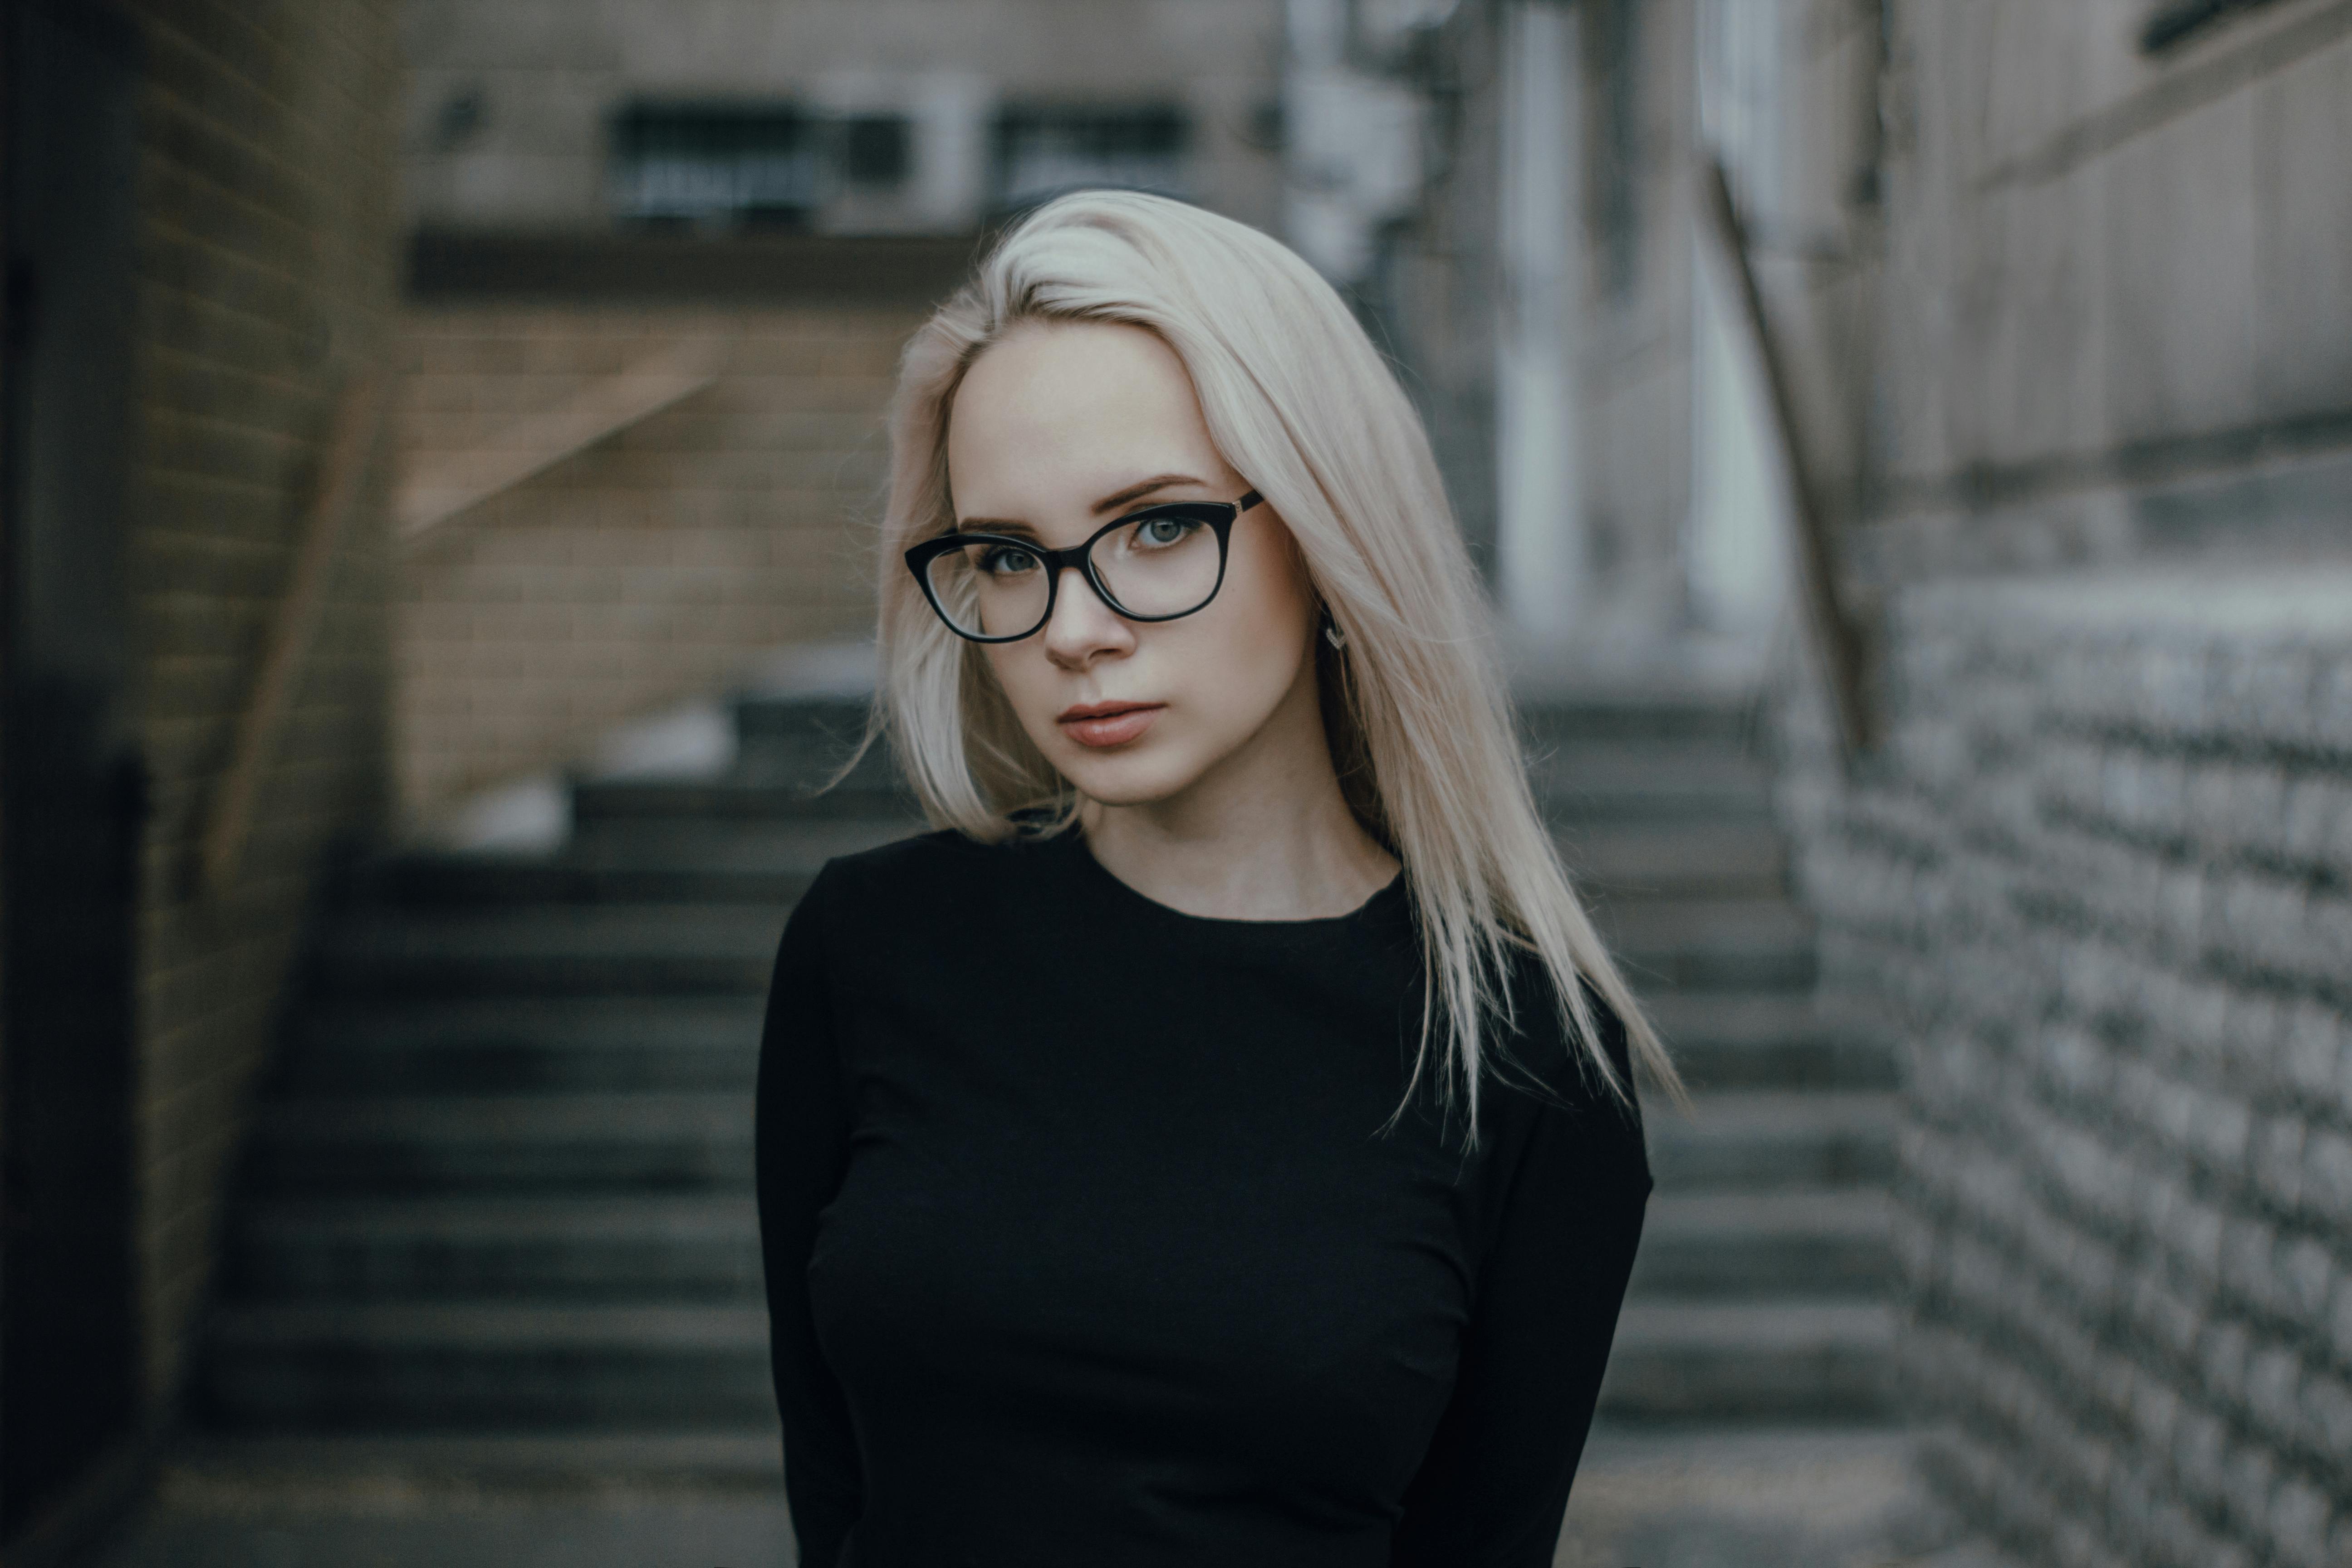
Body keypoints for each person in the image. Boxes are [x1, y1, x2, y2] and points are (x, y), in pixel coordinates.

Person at [755, 189, 1680, 1568]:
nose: (1072, 629)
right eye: (1006, 557)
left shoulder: (1528, 1057)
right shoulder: (872, 948)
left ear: (1324, 524)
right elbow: (835, 1504)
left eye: (1158, 529)